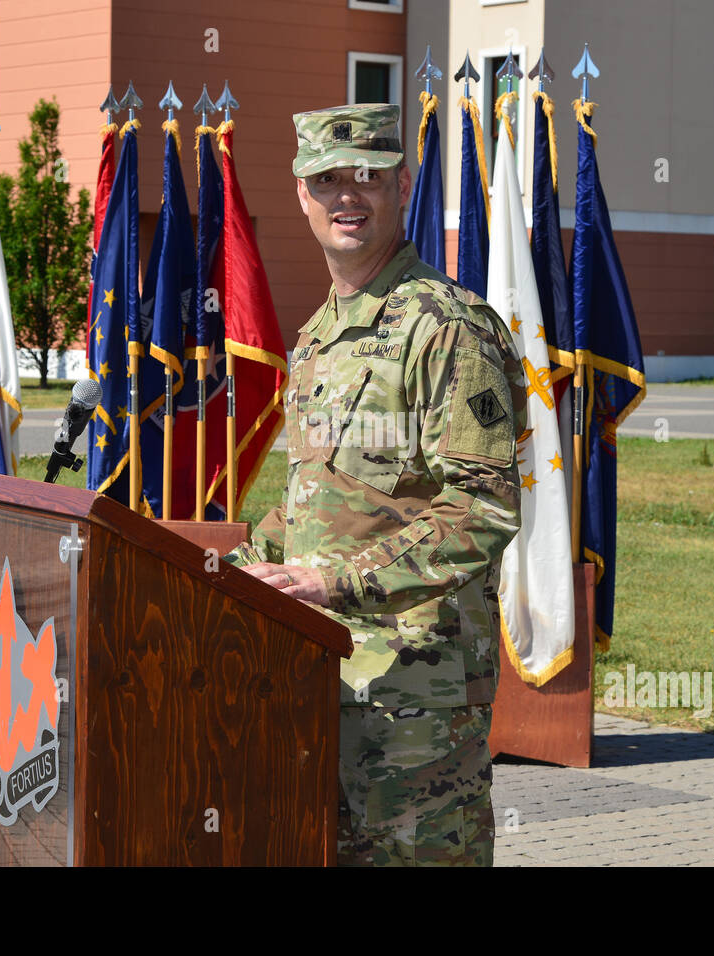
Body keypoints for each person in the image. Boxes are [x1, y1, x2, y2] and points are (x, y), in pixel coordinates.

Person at [224, 103, 526, 866]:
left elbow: (483, 509)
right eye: (326, 179)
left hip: (414, 702)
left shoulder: (448, 326)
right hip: (320, 680)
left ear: (402, 184)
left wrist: (335, 582)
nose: (346, 196)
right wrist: (215, 571)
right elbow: (319, 504)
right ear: (300, 193)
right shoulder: (319, 336)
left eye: (367, 176)